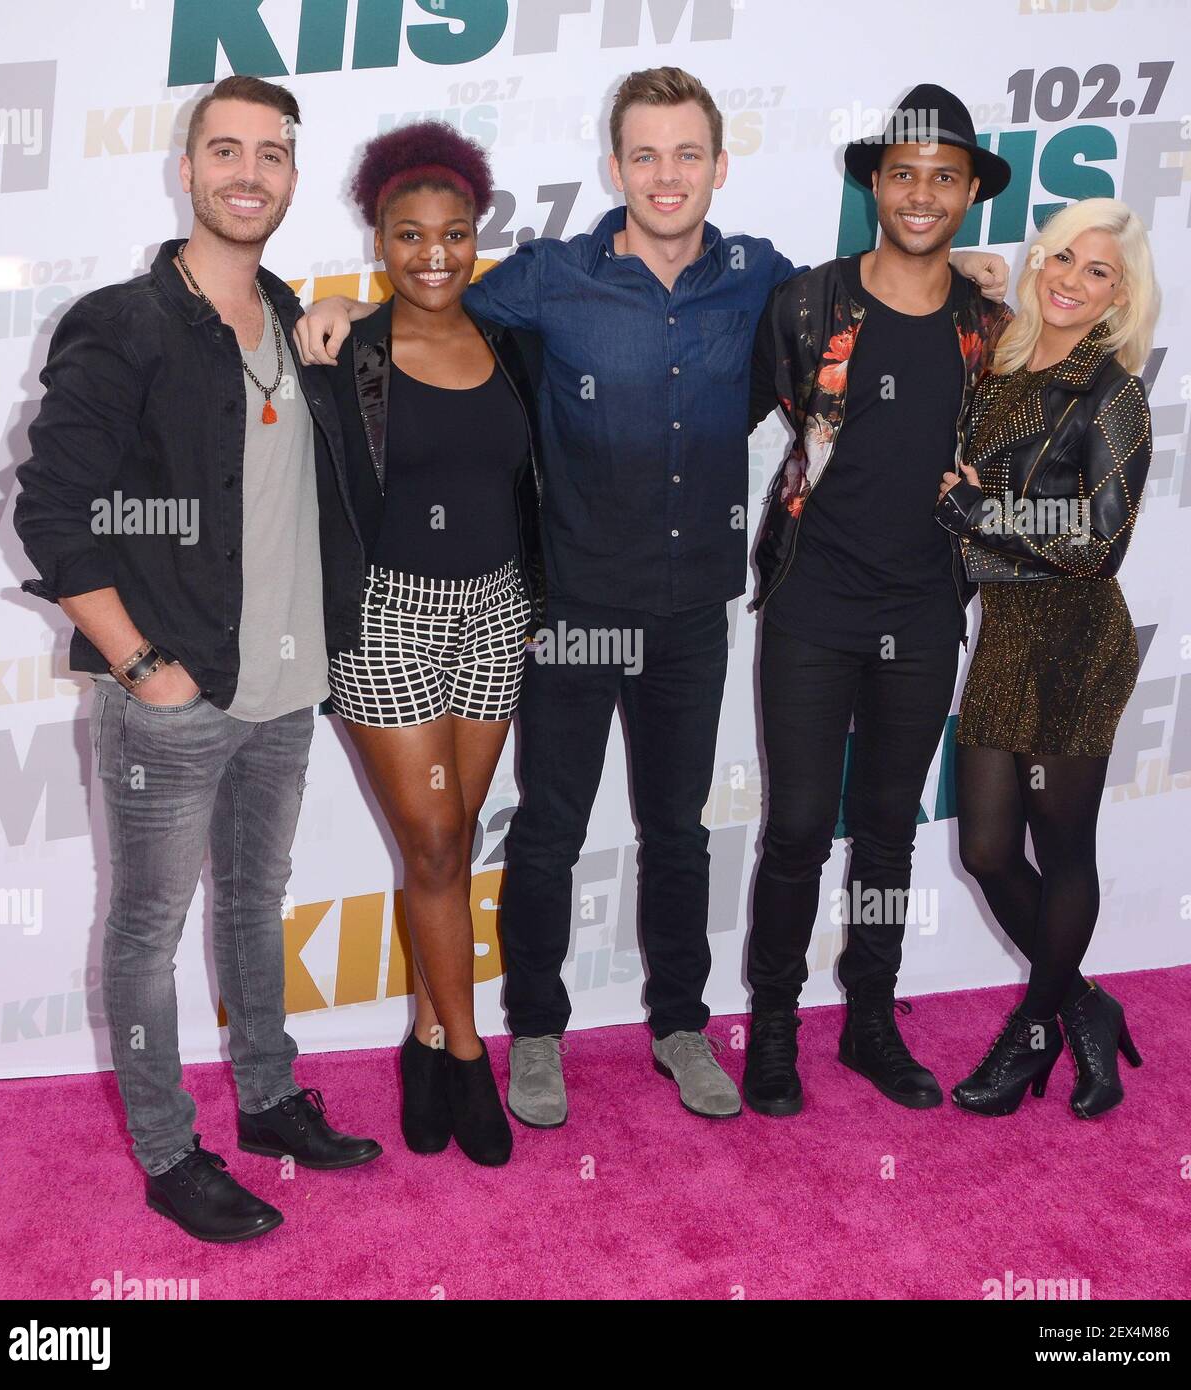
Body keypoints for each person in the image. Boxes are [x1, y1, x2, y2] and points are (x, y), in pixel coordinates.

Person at [296, 69, 1006, 1125]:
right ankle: (533, 1029)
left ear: (718, 167)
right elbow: (428, 300)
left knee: (678, 829)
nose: (665, 176)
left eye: (686, 155)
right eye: (644, 155)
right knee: (547, 828)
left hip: (693, 609)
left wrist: (983, 271)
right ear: (613, 164)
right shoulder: (545, 279)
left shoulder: (766, 281)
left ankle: (681, 1023)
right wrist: (342, 303)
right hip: (572, 606)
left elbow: (878, 294)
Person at [12, 75, 380, 1243]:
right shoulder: (122, 324)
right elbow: (52, 513)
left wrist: (336, 351)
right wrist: (139, 665)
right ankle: (170, 1151)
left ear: (290, 176)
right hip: (169, 694)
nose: (248, 173)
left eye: (271, 155)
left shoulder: (293, 316)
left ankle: (268, 1099)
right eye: (225, 150)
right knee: (146, 930)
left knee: (257, 902)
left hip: (283, 684)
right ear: (186, 168)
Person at [743, 84, 1014, 1116]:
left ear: (967, 195)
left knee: (890, 829)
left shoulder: (988, 326)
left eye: (944, 177)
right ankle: (773, 1025)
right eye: (903, 173)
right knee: (800, 825)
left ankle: (868, 1017)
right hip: (814, 601)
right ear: (873, 183)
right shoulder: (807, 304)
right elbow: (742, 408)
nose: (921, 193)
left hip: (921, 610)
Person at [325, 121, 545, 1166]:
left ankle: (418, 1035)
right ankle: (467, 1053)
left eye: (453, 233)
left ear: (477, 237)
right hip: (386, 616)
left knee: (453, 843)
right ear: (378, 240)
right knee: (433, 841)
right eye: (408, 234)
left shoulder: (511, 346)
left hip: (498, 609)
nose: (433, 254)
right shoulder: (347, 350)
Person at [934, 197, 1157, 1118]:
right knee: (986, 850)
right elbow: (934, 266)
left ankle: (1031, 1031)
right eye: (1059, 258)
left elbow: (1098, 543)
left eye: (1095, 270)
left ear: (1118, 296)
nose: (1069, 280)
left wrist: (979, 516)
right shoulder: (999, 362)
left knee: (1062, 849)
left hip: (1076, 642)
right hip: (1007, 635)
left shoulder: (1115, 396)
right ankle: (1084, 1005)